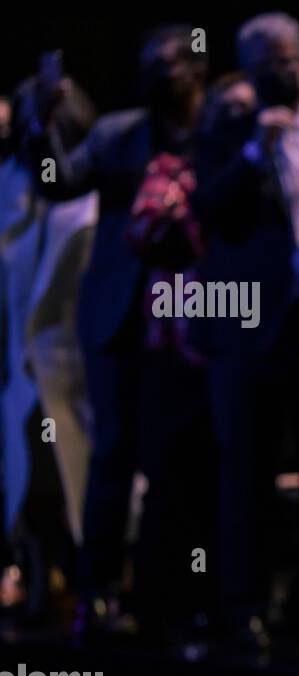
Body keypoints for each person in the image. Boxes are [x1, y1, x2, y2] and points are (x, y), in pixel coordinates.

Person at [24, 27, 211, 638]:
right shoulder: (117, 131)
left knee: (174, 463)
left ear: (198, 68)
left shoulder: (218, 133)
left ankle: (166, 597)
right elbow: (59, 181)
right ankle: (96, 594)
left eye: (172, 63)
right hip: (120, 316)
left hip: (194, 318)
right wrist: (45, 122)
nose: (161, 74)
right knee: (111, 457)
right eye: (150, 64)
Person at [192, 12, 299, 645]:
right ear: (249, 73)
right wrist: (254, 148)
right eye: (268, 63)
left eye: (292, 58)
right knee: (246, 464)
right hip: (247, 324)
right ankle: (240, 605)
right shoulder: (228, 127)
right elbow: (208, 209)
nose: (284, 71)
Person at [0, 79, 97, 623]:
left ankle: (89, 586)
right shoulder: (12, 190)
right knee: (32, 485)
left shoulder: (89, 195)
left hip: (78, 367)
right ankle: (40, 579)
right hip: (20, 365)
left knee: (78, 484)